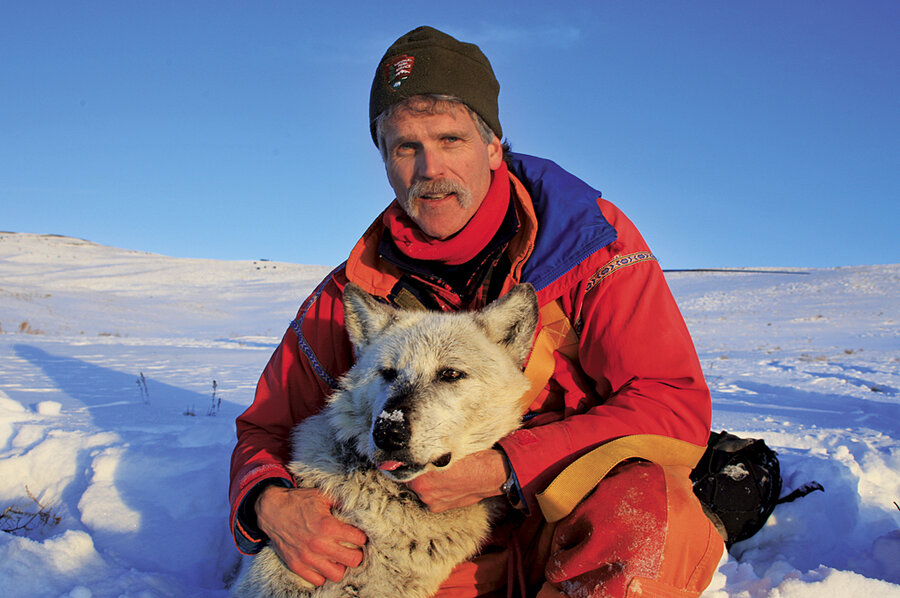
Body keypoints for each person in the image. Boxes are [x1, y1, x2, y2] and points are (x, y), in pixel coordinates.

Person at [229, 26, 724, 598]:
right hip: (428, 554)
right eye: (404, 147)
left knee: (650, 513)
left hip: (562, 525)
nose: (429, 169)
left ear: (493, 146)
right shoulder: (352, 291)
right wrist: (269, 504)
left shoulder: (592, 247)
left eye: (450, 140)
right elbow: (265, 426)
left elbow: (670, 400)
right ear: (386, 161)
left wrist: (505, 467)